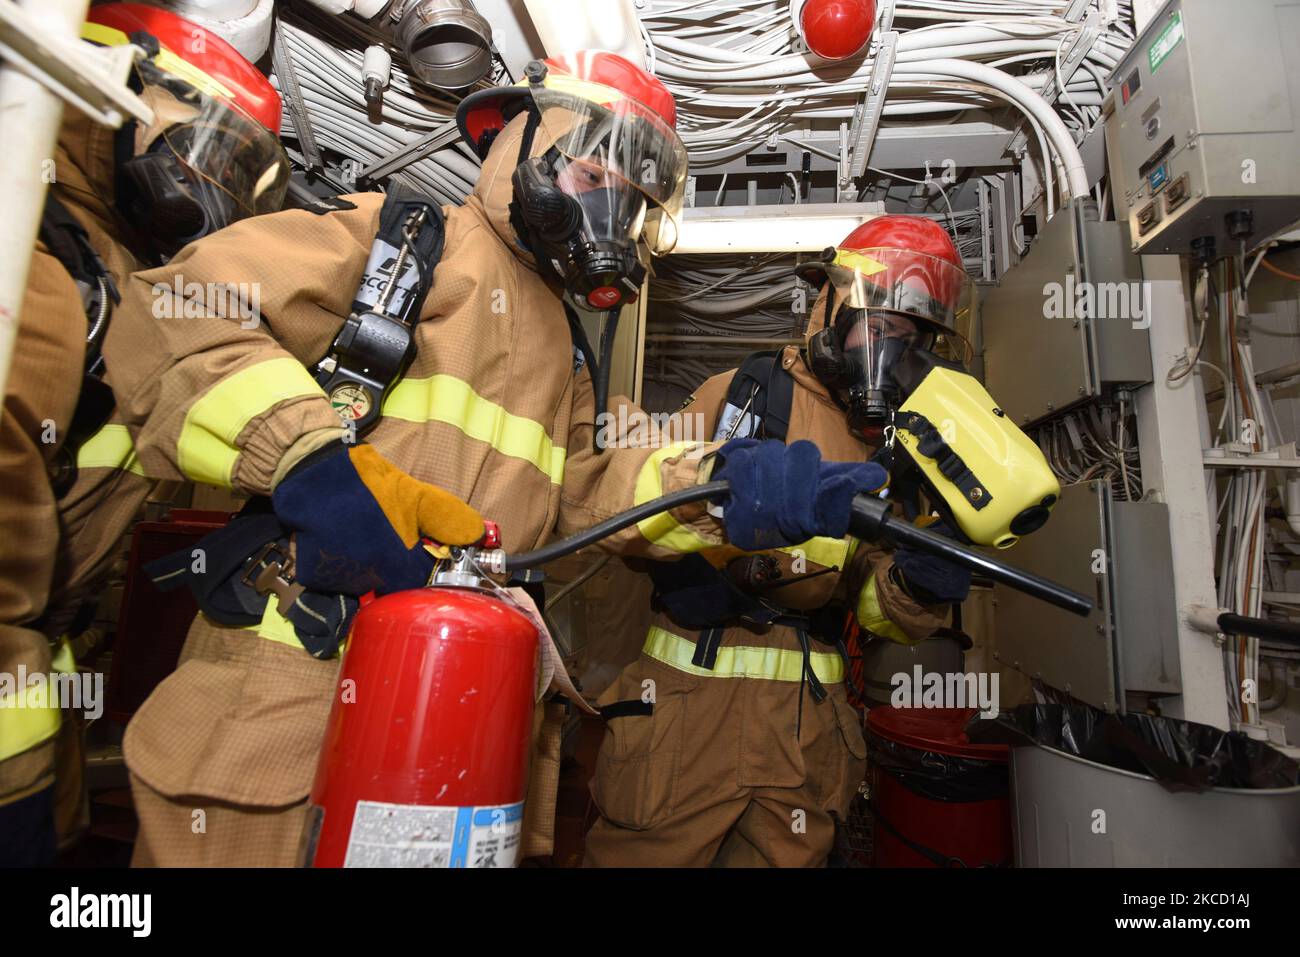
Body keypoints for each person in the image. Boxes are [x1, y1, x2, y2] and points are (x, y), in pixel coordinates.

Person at [103, 49, 884, 867]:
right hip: (301, 683)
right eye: (598, 185)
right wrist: (308, 462)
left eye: (634, 210)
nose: (613, 227)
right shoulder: (398, 240)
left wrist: (714, 487)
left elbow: (595, 485)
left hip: (467, 702)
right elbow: (174, 307)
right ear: (527, 150)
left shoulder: (569, 353)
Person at [583, 215, 977, 867]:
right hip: (683, 718)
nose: (883, 354)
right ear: (829, 305)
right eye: (875, 328)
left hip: (804, 738)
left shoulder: (896, 453)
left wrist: (915, 582)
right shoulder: (740, 393)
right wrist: (717, 493)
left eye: (906, 341)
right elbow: (622, 514)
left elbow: (875, 608)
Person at [0, 2, 290, 866]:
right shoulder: (41, 269)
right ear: (109, 91)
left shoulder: (112, 273)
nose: (204, 184)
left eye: (232, 168)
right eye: (197, 144)